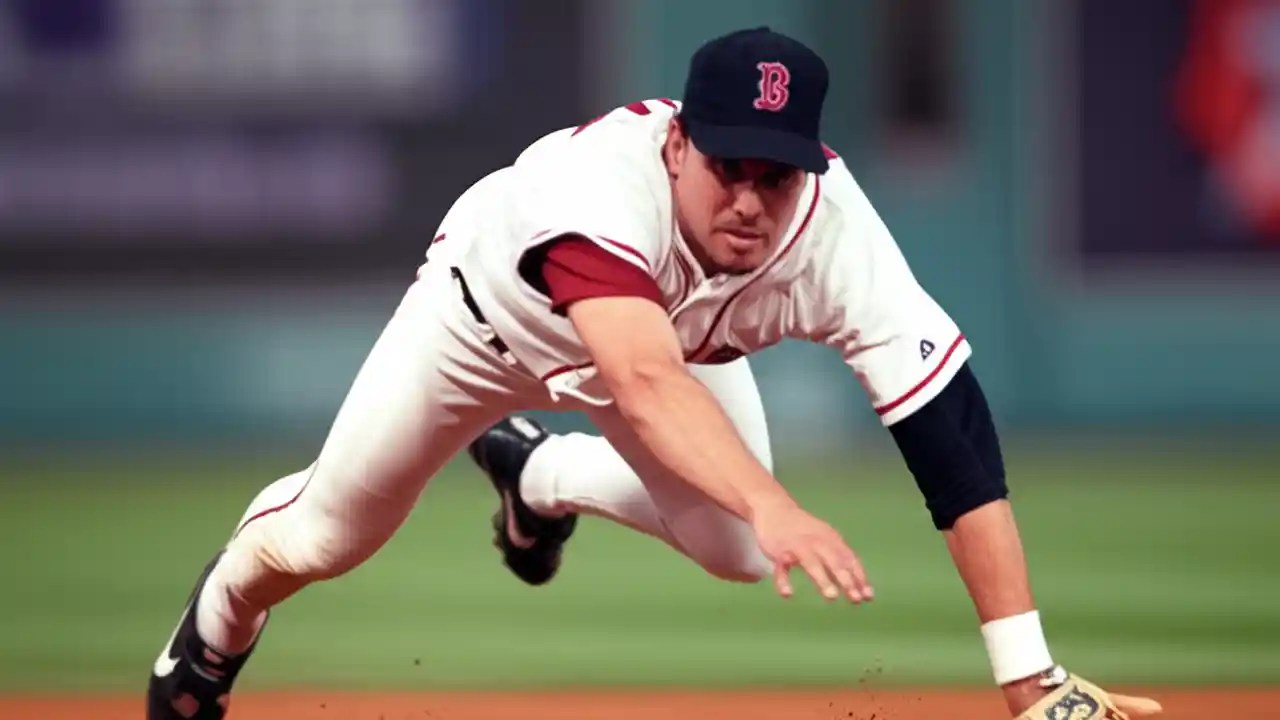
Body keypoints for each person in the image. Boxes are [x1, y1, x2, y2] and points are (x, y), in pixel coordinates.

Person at [147, 27, 1162, 720]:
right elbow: (638, 377)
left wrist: (1025, 675)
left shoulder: (832, 232)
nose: (752, 200)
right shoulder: (599, 185)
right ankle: (215, 625)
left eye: (778, 173)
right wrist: (775, 504)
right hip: (483, 326)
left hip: (660, 357)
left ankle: (538, 478)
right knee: (328, 536)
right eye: (729, 165)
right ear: (677, 143)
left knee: (726, 546)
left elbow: (949, 430)